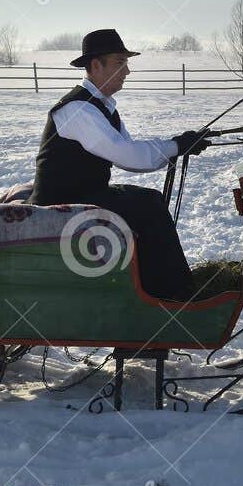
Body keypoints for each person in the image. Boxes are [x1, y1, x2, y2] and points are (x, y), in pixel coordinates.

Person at [31, 28, 211, 299]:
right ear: (95, 65)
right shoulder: (78, 109)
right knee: (149, 206)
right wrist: (176, 146)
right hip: (61, 203)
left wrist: (178, 145)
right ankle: (172, 294)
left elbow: (132, 154)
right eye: (120, 62)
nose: (127, 71)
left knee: (149, 202)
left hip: (83, 196)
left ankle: (159, 289)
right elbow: (125, 153)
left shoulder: (101, 107)